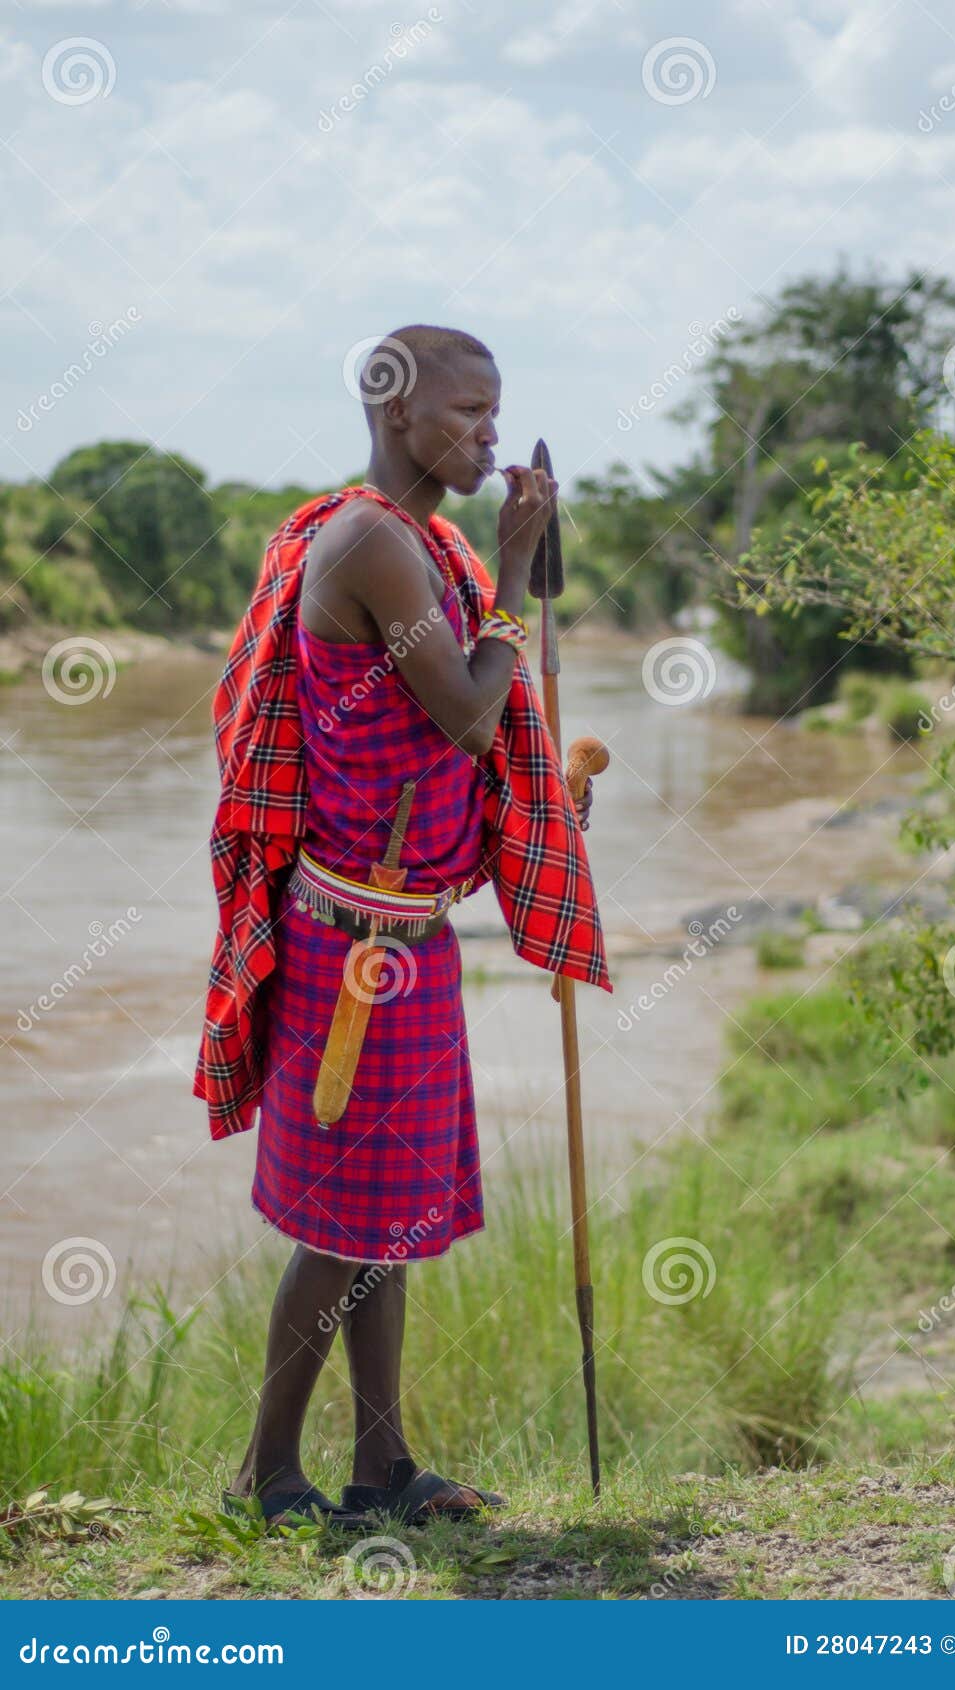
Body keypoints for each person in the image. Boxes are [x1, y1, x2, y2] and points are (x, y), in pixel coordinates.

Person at [193, 324, 611, 1531]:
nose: (490, 433)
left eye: (497, 412)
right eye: (468, 413)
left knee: (389, 1221)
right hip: (354, 949)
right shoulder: (374, 542)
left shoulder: (417, 540)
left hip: (404, 929)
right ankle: (266, 1477)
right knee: (339, 1226)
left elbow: (456, 741)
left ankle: (383, 1469)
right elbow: (472, 717)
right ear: (397, 411)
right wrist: (519, 567)